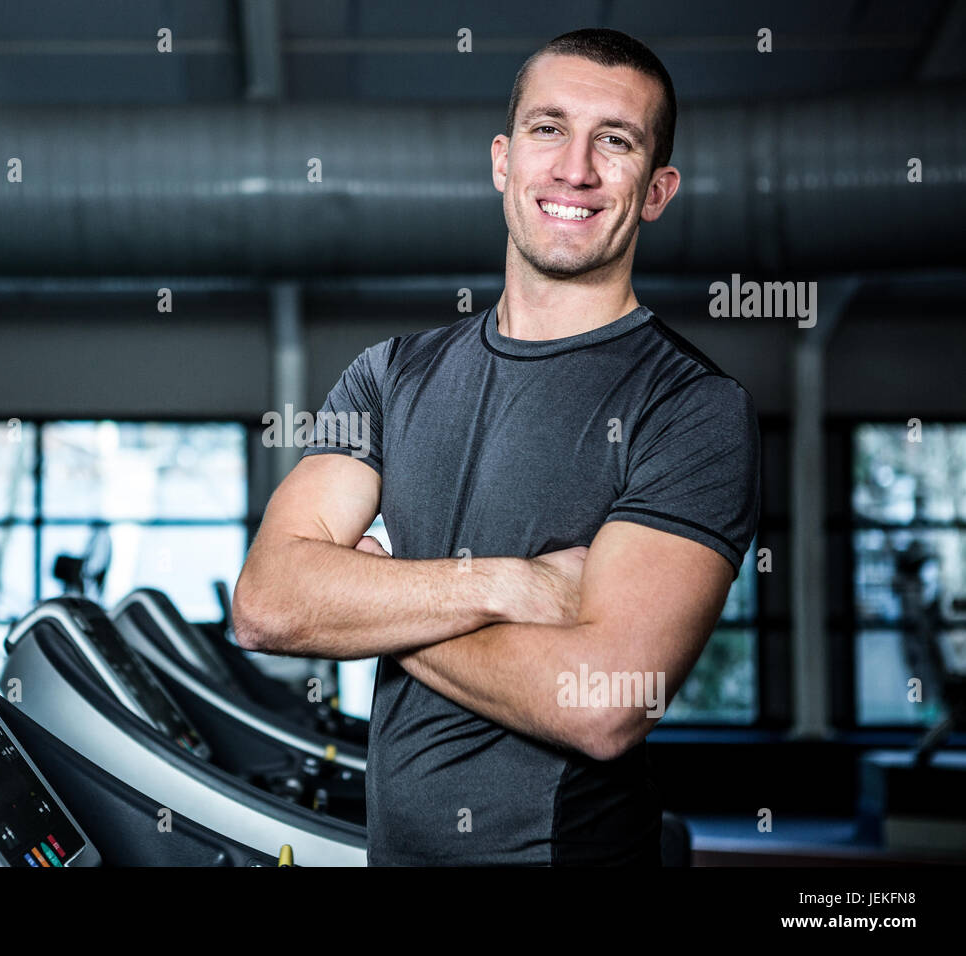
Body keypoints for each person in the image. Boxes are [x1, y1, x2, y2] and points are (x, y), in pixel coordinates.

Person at [232, 27, 760, 865]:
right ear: (503, 160)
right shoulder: (387, 374)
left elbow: (602, 704)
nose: (575, 169)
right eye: (548, 129)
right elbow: (265, 602)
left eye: (614, 141)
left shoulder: (694, 407)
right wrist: (511, 584)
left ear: (657, 190)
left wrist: (365, 603)